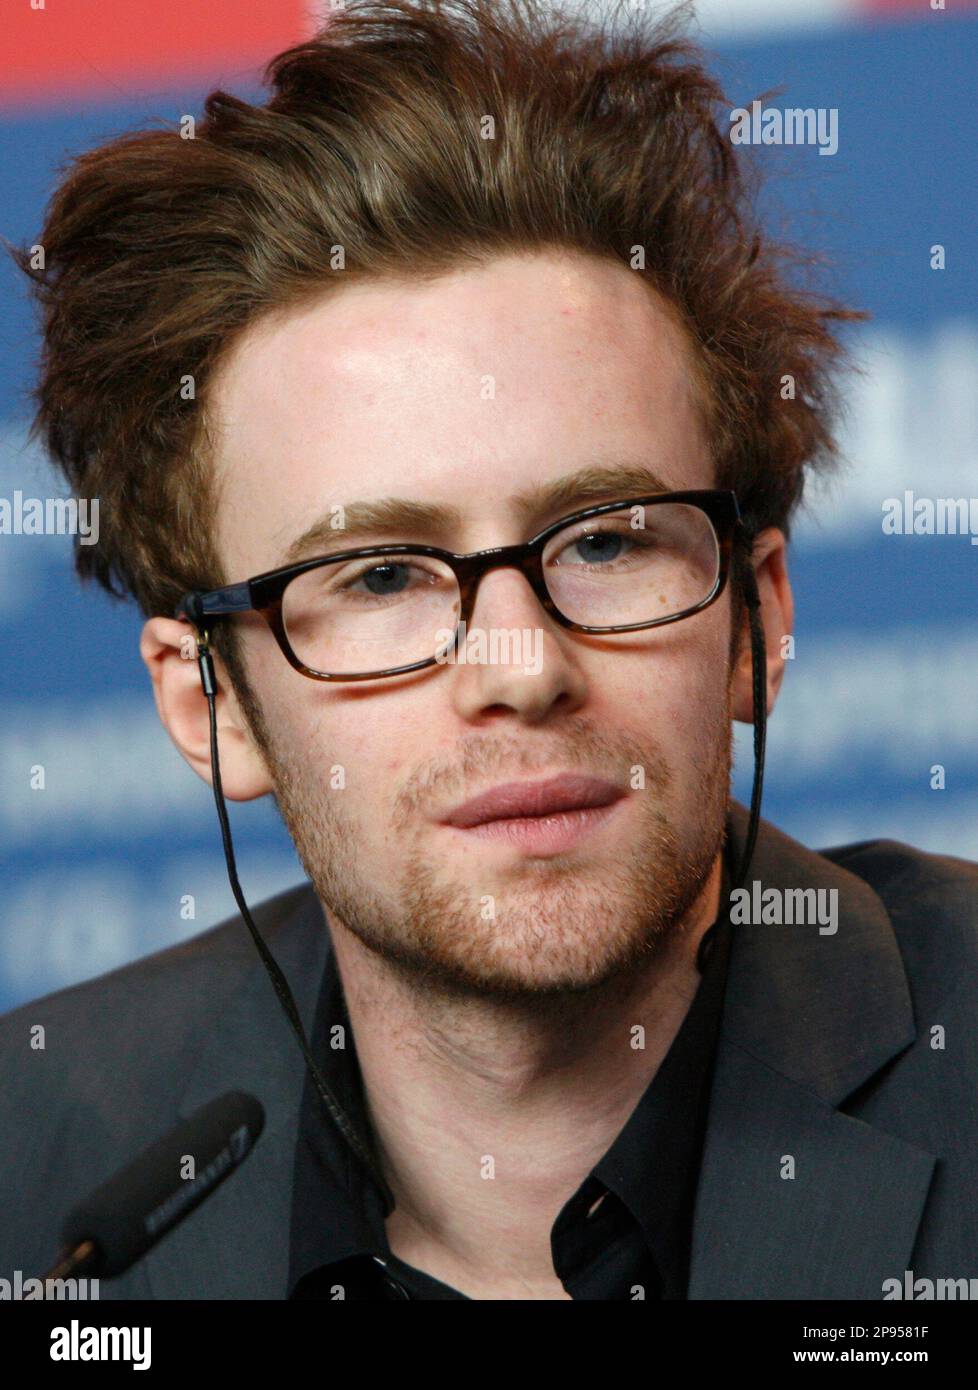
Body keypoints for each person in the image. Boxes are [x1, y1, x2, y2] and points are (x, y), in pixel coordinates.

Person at [2, 0, 975, 1301]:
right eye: (382, 574)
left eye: (604, 542)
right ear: (211, 701)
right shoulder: (38, 1168)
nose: (519, 666)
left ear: (757, 615)